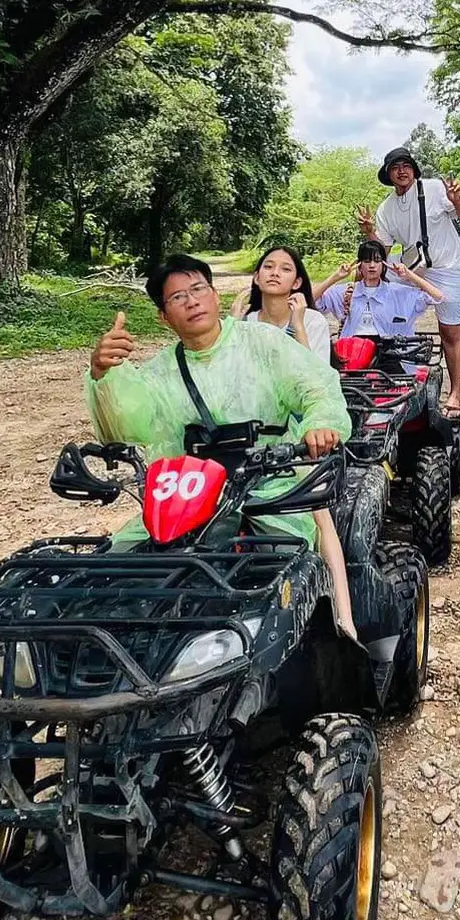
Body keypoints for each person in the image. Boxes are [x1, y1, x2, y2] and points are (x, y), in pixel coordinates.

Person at [87, 255, 356, 635]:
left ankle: (338, 629)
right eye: (177, 297)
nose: (192, 301)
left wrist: (321, 425)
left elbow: (317, 388)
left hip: (270, 488)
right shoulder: (158, 374)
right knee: (118, 566)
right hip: (188, 500)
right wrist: (104, 375)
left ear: (214, 295)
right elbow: (122, 429)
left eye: (198, 289)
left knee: (283, 573)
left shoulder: (264, 344)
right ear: (164, 317)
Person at [359, 145, 460, 417]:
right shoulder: (386, 209)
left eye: (406, 165)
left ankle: (455, 392)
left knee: (450, 333)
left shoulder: (434, 188)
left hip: (449, 268)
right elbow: (381, 253)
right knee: (373, 282)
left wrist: (457, 200)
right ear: (388, 174)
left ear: (414, 169)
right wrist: (369, 232)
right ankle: (388, 375)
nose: (402, 170)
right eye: (396, 167)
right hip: (413, 269)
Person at [311, 242, 444, 338]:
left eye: (377, 260)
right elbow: (308, 300)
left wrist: (409, 275)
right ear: (359, 265)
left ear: (384, 264)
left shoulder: (396, 292)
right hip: (353, 351)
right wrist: (334, 277)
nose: (372, 266)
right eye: (367, 261)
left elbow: (437, 296)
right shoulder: (346, 292)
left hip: (388, 353)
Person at [232, 244, 331, 365]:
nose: (275, 273)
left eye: (286, 269)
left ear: (296, 283)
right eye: (268, 267)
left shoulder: (313, 321)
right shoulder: (245, 322)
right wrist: (230, 327)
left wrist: (298, 328)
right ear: (256, 278)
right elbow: (228, 373)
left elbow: (319, 378)